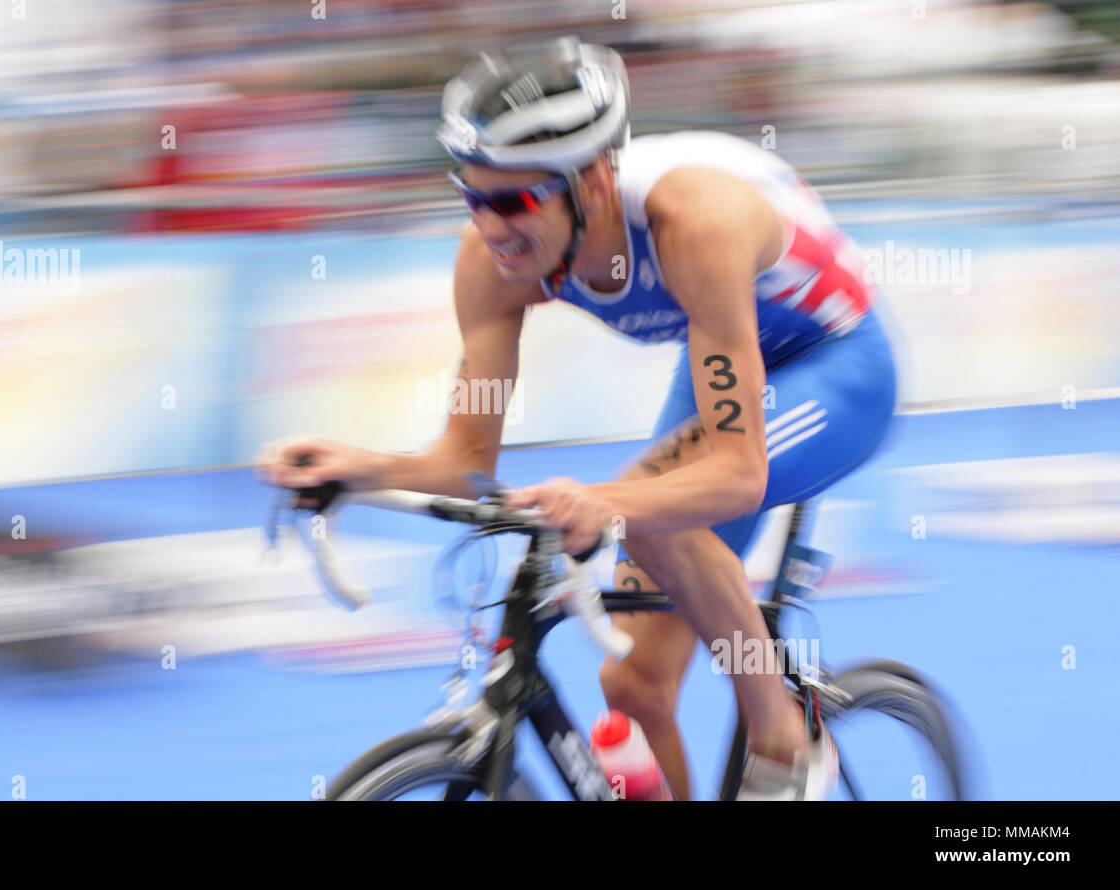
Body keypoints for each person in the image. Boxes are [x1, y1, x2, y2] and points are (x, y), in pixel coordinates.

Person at [258, 36, 897, 801]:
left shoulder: (695, 222)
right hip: (727, 367)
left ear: (592, 182)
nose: (491, 228)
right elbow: (467, 457)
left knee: (655, 510)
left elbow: (736, 468)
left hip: (834, 365)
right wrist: (361, 467)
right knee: (633, 680)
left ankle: (782, 741)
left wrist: (610, 502)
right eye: (473, 197)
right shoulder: (491, 266)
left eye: (514, 202)